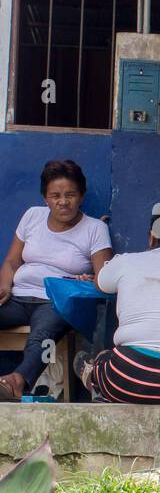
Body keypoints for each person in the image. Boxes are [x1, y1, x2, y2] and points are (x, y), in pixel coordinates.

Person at [0, 160, 113, 400]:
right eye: (55, 196)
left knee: (43, 336)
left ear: (81, 196)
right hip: (17, 297)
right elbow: (11, 261)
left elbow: (106, 279)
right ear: (45, 198)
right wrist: (4, 284)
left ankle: (16, 383)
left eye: (70, 194)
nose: (63, 201)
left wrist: (87, 280)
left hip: (56, 301)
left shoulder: (94, 229)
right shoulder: (32, 216)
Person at [74, 222, 160, 404]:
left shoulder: (127, 261)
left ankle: (100, 390)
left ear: (151, 236)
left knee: (90, 358)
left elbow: (100, 283)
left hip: (129, 379)